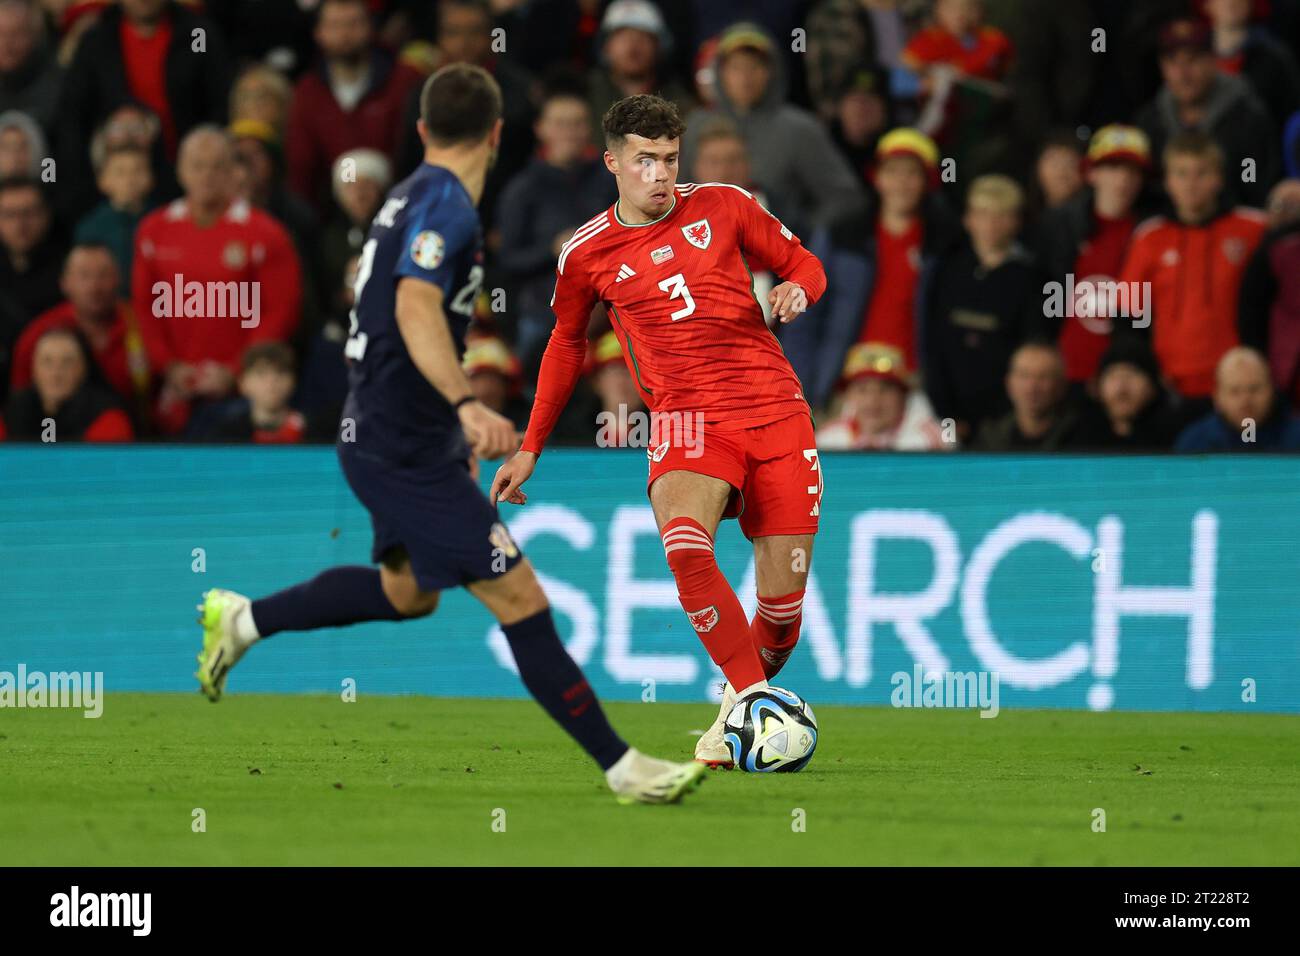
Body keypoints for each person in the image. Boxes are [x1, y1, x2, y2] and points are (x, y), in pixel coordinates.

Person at [193, 65, 704, 806]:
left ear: (426, 130)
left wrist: (442, 420)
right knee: (522, 598)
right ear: (498, 134)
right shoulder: (447, 209)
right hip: (400, 443)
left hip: (393, 430)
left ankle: (243, 620)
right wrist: (465, 404)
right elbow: (412, 308)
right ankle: (624, 768)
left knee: (408, 595)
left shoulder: (406, 196)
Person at [490, 94, 828, 768]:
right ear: (613, 161)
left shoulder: (726, 205)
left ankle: (737, 712)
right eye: (645, 160)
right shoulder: (586, 253)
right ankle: (759, 707)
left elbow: (805, 265)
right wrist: (530, 446)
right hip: (688, 420)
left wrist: (798, 291)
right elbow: (565, 348)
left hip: (775, 410)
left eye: (669, 159)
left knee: (783, 612)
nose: (659, 174)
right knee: (685, 546)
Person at [785, 127, 958, 410]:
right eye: (892, 172)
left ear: (927, 182)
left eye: (912, 174)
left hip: (915, 389)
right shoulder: (842, 235)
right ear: (877, 177)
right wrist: (802, 389)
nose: (902, 183)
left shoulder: (943, 244)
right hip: (846, 387)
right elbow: (804, 317)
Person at [1116, 131, 1266, 407]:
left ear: (1218, 178)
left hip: (1239, 388)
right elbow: (1128, 314)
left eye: (1201, 173)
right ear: (1168, 181)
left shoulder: (1253, 229)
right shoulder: (1149, 237)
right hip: (1169, 386)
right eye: (1181, 174)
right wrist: (1147, 371)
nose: (1191, 184)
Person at [921, 173, 1046, 441]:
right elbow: (933, 342)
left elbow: (1031, 350)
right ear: (968, 219)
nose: (991, 224)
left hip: (1004, 418)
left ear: (1017, 221)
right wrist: (946, 410)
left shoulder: (1031, 278)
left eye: (1001, 215)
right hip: (944, 410)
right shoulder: (948, 270)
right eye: (983, 214)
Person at [1035, 124, 1151, 390]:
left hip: (1126, 382)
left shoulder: (1153, 232)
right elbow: (1040, 298)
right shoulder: (1059, 227)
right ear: (1090, 173)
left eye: (1132, 170)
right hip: (1064, 375)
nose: (1122, 179)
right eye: (1111, 168)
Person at [1134, 16, 1278, 208]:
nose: (1183, 73)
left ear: (1213, 61)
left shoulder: (1249, 118)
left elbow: (1256, 186)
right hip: (1168, 230)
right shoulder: (1150, 120)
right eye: (1172, 62)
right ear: (1162, 66)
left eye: (1192, 60)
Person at [0, 325, 133, 441]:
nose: (56, 373)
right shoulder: (12, 412)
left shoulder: (108, 418)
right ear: (33, 370)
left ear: (84, 368)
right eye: (47, 361)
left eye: (67, 362)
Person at [815, 342, 949, 451]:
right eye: (862, 390)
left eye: (885, 389)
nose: (873, 400)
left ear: (903, 396)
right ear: (848, 395)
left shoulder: (931, 441)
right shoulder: (826, 439)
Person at [1175, 345, 1300, 450]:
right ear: (1217, 397)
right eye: (1235, 391)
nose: (1245, 400)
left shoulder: (1296, 438)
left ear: (1272, 390)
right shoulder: (1194, 443)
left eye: (1254, 389)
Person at [1069, 341, 1181, 451]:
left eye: (1132, 375)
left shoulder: (1177, 440)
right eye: (1113, 376)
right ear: (1097, 387)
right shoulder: (1078, 438)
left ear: (1153, 386)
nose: (1121, 387)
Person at [969, 341, 1080, 450]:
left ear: (1061, 385)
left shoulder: (1082, 437)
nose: (1031, 387)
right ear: (1008, 383)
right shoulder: (989, 438)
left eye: (1043, 377)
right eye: (1023, 376)